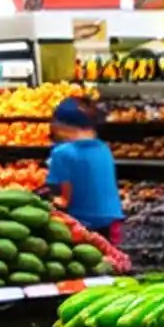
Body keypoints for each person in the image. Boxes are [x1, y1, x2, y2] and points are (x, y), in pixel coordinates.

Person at [46, 97, 124, 243]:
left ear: (61, 126)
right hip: (112, 220)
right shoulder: (103, 148)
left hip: (83, 224)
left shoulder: (62, 152)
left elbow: (64, 200)